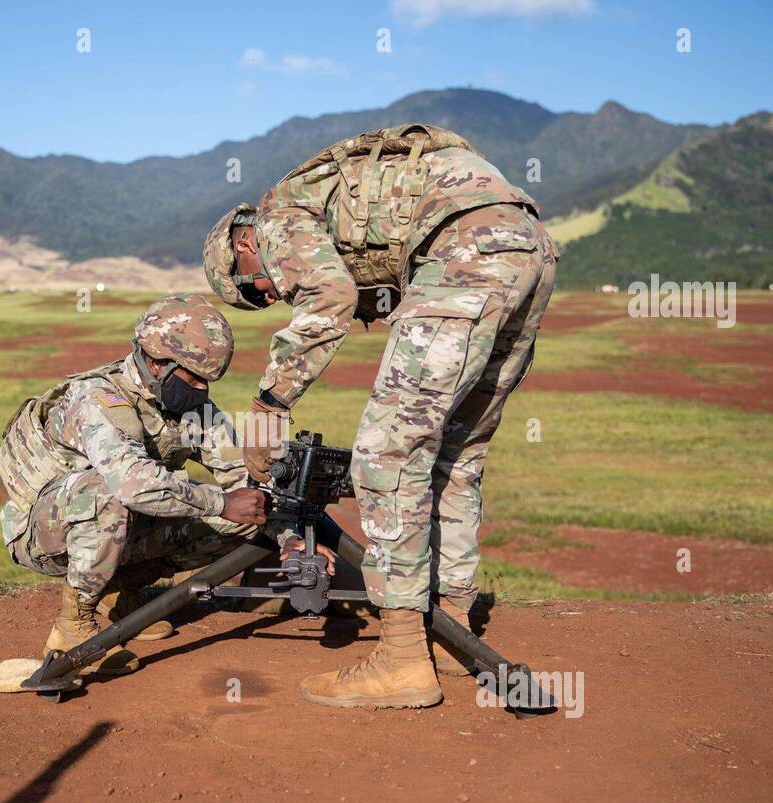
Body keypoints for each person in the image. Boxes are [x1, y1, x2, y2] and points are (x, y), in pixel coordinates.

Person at [203, 124, 559, 708]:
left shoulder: (275, 217)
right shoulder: (323, 199)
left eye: (260, 293)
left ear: (242, 250)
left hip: (465, 251)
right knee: (455, 457)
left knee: (387, 453)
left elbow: (329, 297)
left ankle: (400, 662)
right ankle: (451, 632)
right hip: (529, 247)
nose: (274, 297)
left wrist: (269, 404)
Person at [0, 294, 269, 676]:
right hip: (47, 534)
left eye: (208, 380)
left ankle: (119, 592)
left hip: (118, 527)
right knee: (108, 492)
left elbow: (240, 475)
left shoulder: (189, 407)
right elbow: (132, 484)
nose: (202, 390)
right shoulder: (98, 399)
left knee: (251, 512)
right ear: (156, 361)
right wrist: (218, 502)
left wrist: (279, 522)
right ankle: (73, 628)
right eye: (193, 377)